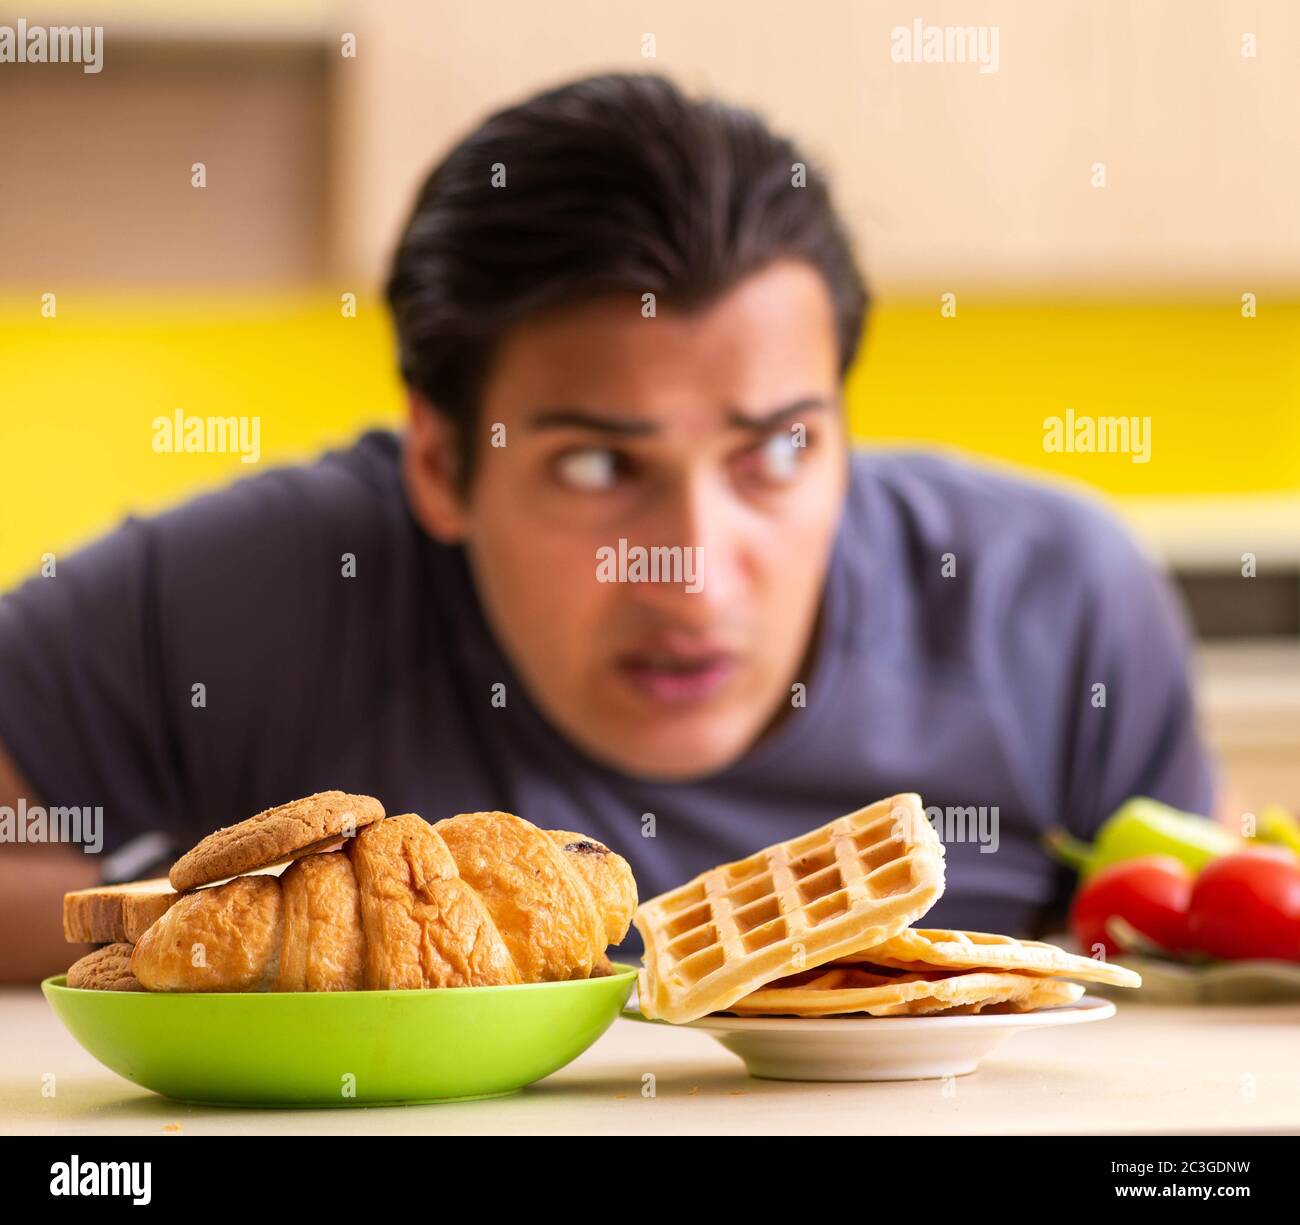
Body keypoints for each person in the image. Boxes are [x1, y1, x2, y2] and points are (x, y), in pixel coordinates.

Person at [0, 72, 1214, 982]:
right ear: (440, 460)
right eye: (594, 463)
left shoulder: (1061, 601)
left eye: (777, 449)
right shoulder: (262, 585)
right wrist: (239, 933)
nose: (692, 574)